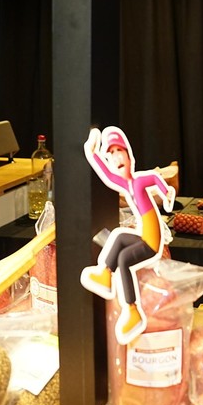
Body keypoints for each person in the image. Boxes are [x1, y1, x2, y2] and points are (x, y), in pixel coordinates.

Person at [80, 126, 176, 342]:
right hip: (144, 236)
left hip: (152, 240)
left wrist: (166, 193)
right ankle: (105, 275)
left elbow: (155, 179)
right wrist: (92, 152)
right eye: (111, 154)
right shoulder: (125, 184)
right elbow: (105, 173)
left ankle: (132, 310)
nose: (116, 157)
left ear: (129, 156)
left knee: (124, 258)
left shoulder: (139, 181)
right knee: (120, 238)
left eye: (119, 151)